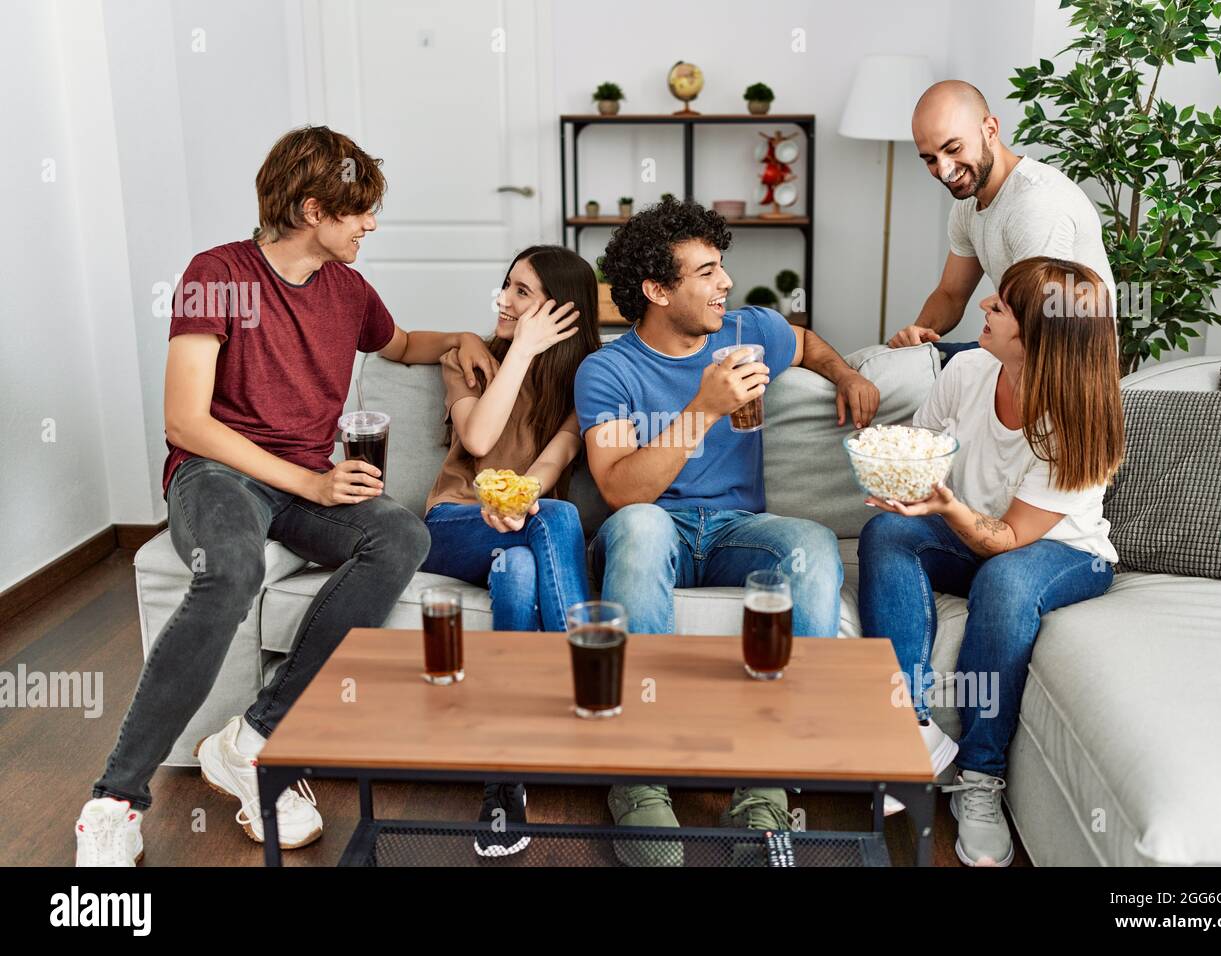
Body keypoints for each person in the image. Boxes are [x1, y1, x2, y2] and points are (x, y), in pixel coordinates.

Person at [75, 126, 499, 866]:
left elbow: (398, 344)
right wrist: (307, 480)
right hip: (218, 474)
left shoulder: (349, 290)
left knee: (399, 536)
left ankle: (255, 738)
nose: (371, 224)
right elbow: (185, 420)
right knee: (231, 572)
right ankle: (115, 800)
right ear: (311, 209)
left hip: (303, 480)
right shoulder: (218, 273)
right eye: (359, 210)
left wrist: (459, 337)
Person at [576, 197, 880, 863]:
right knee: (643, 528)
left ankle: (765, 789)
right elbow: (623, 491)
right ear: (658, 291)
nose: (725, 284)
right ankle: (638, 779)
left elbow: (806, 342)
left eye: (723, 268)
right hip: (658, 526)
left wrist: (847, 372)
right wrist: (704, 408)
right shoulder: (607, 371)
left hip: (740, 528)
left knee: (812, 544)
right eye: (707, 272)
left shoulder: (748, 330)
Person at [858, 256, 1124, 866]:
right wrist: (907, 486)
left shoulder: (1077, 419)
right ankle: (911, 732)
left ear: (1037, 335)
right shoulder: (970, 369)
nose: (983, 307)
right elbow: (926, 453)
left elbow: (1007, 538)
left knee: (1004, 579)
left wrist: (947, 509)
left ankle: (980, 780)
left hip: (1062, 554)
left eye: (1000, 306)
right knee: (886, 534)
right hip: (977, 532)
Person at [420, 244, 600, 857]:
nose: (503, 300)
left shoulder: (587, 377)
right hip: (452, 525)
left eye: (521, 292)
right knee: (559, 518)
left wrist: (521, 502)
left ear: (560, 310)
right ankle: (590, 688)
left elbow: (556, 459)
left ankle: (505, 781)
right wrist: (520, 348)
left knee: (519, 572)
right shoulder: (466, 359)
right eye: (506, 286)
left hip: (522, 525)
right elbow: (477, 436)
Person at [890, 80, 1115, 363]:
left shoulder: (1035, 204)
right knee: (896, 367)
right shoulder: (969, 205)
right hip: (1020, 352)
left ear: (990, 130)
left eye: (954, 148)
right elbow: (950, 294)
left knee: (912, 381)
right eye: (930, 159)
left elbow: (1044, 326)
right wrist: (918, 337)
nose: (944, 169)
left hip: (1064, 368)